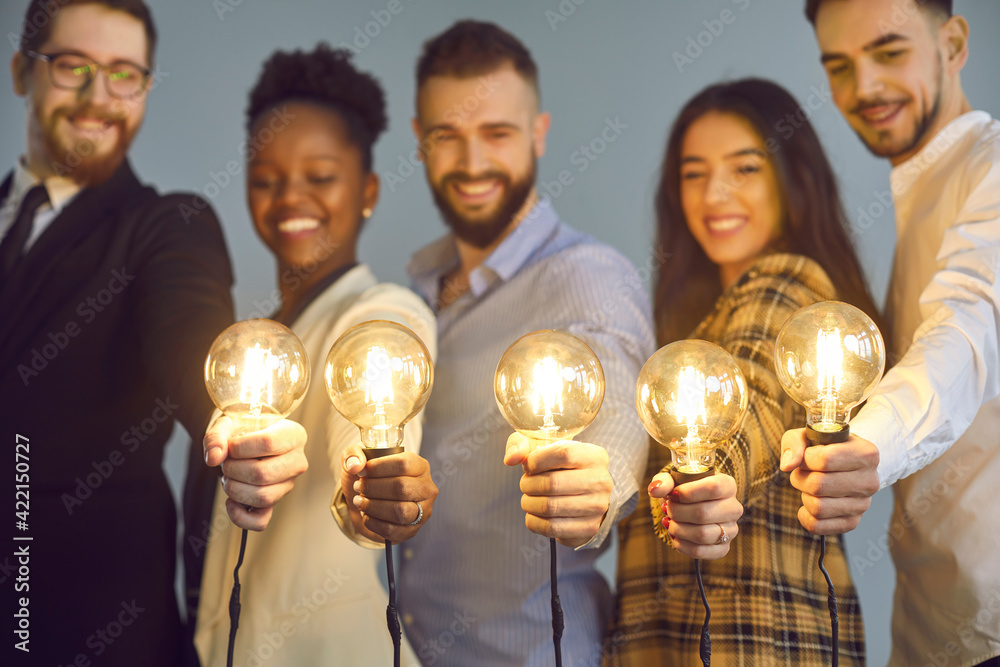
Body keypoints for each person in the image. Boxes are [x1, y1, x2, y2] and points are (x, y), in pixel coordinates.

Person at [395, 19, 712, 666]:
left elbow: (618, 384)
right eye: (447, 137)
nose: (473, 161)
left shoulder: (585, 274)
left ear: (538, 133)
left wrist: (601, 478)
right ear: (419, 143)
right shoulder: (417, 291)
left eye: (498, 134)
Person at [1, 2, 307, 665]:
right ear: (22, 69)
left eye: (124, 74)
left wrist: (230, 417)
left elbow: (188, 331)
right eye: (73, 66)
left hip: (91, 631)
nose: (97, 98)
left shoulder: (167, 226)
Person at [606, 79, 883, 666]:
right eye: (694, 173)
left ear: (792, 180)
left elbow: (751, 400)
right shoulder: (700, 323)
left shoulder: (786, 283)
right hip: (691, 635)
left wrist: (714, 479)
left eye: (745, 168)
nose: (715, 194)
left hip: (755, 641)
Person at [193, 44, 439, 667]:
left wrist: (373, 488)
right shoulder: (263, 345)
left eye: (320, 176)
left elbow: (365, 442)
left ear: (368, 189)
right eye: (266, 180)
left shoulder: (380, 312)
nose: (289, 198)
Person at [783, 1, 1000, 664]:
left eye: (890, 52)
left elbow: (969, 326)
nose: (865, 88)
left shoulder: (991, 171)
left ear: (954, 42)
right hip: (927, 633)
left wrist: (865, 445)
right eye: (839, 66)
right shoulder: (921, 192)